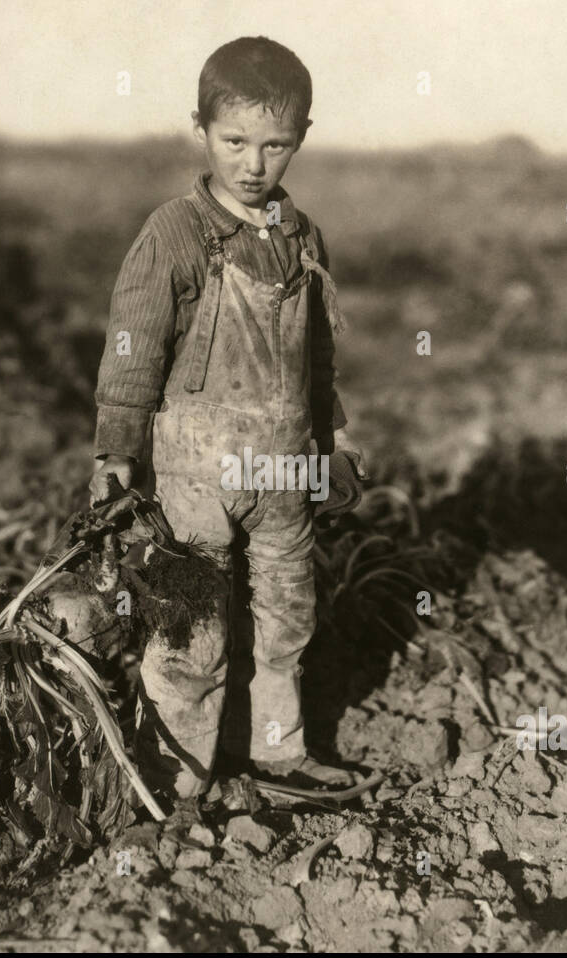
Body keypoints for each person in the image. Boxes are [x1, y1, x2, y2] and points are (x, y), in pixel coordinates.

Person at [88, 36, 366, 801]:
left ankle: (279, 758)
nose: (253, 164)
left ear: (302, 138)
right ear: (201, 130)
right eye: (234, 140)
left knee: (285, 622)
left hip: (282, 470)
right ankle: (177, 782)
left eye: (275, 145)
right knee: (192, 636)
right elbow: (132, 353)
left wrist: (333, 442)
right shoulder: (174, 233)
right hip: (194, 479)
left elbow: (316, 363)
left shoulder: (305, 240)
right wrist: (115, 451)